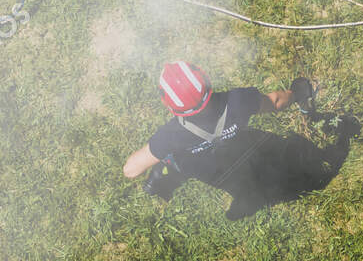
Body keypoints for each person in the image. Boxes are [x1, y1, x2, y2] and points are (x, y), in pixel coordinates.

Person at [122, 61, 315, 207]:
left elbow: (130, 170)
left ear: (169, 105)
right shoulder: (238, 101)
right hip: (231, 155)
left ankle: (168, 169)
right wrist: (295, 93)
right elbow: (275, 102)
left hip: (205, 171)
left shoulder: (170, 135)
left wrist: (155, 150)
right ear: (207, 82)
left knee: (176, 157)